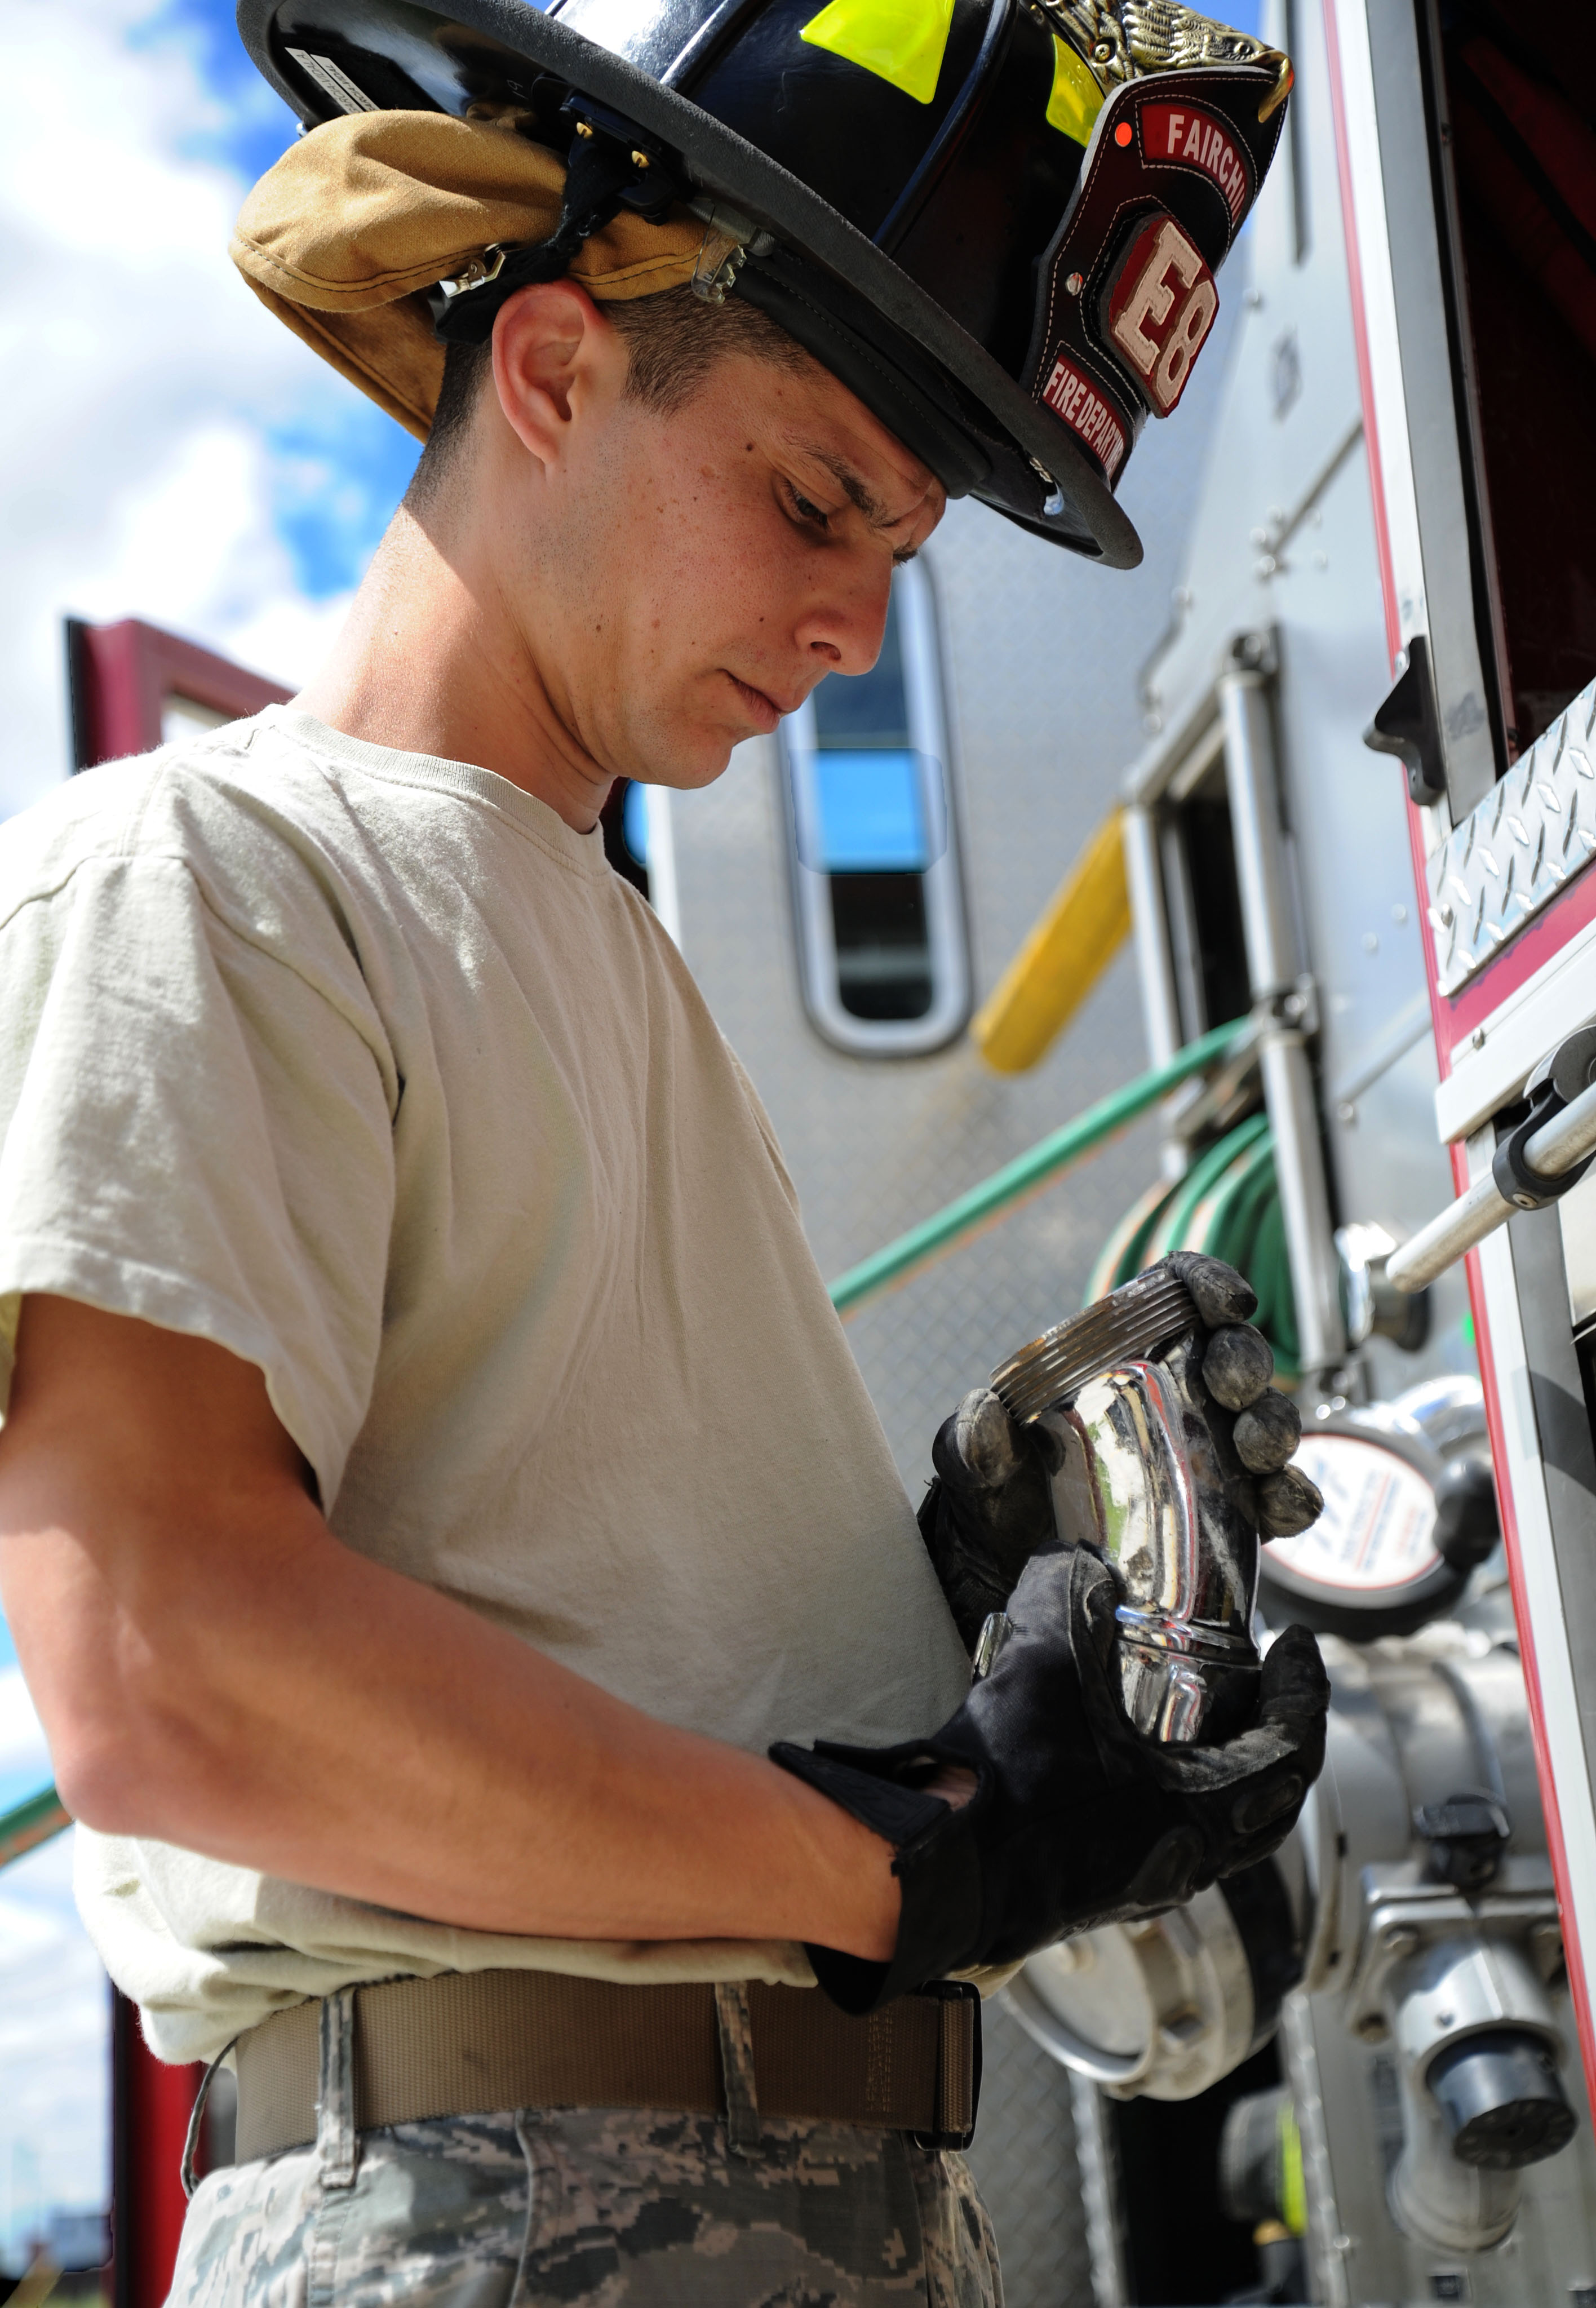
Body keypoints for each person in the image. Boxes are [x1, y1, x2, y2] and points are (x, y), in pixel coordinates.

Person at [0, 3, 1327, 2301]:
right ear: (549, 372)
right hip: (487, 2208)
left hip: (789, 2202)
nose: (848, 617)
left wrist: (964, 1603)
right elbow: (169, 1652)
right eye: (817, 501)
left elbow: (591, 1633)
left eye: (899, 551)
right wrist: (909, 1854)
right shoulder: (200, 869)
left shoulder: (610, 963)